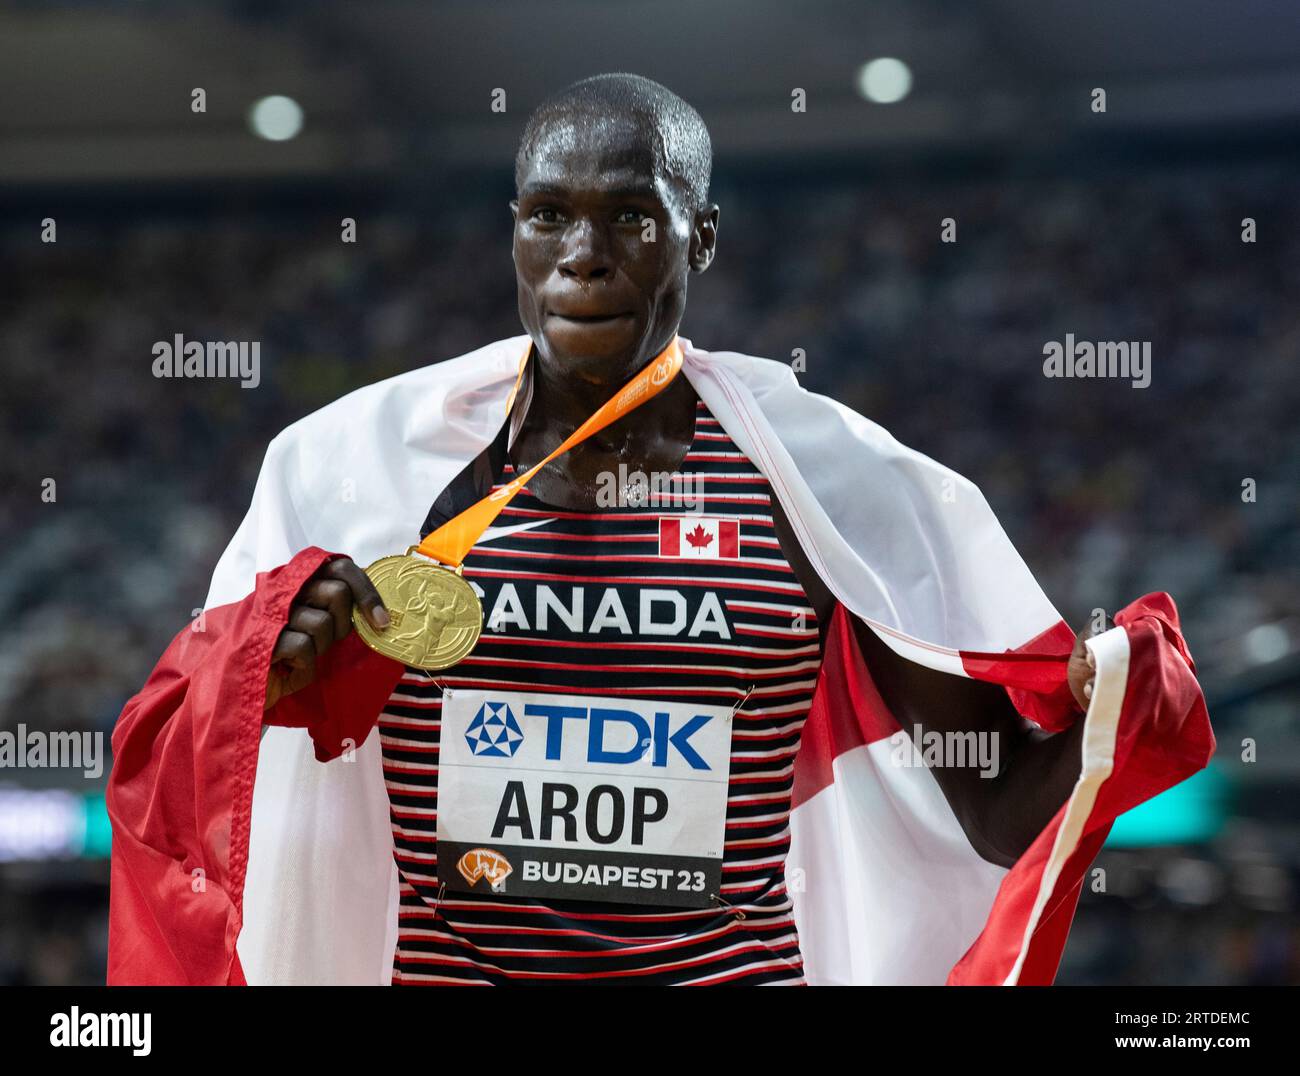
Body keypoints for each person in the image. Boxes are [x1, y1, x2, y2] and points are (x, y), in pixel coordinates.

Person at [106, 73, 1213, 986]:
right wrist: (263, 672)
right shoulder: (359, 474)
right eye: (549, 214)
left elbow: (991, 807)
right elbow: (173, 751)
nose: (583, 253)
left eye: (630, 216)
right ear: (515, 234)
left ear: (703, 237)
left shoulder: (818, 488)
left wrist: (1109, 710)